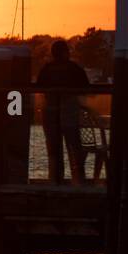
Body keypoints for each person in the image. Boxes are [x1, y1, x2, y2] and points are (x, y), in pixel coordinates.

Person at [36, 40, 90, 184]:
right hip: (70, 113)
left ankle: (54, 179)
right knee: (74, 148)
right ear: (66, 52)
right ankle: (79, 180)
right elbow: (86, 88)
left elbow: (39, 87)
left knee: (53, 149)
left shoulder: (46, 69)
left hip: (50, 113)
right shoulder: (74, 69)